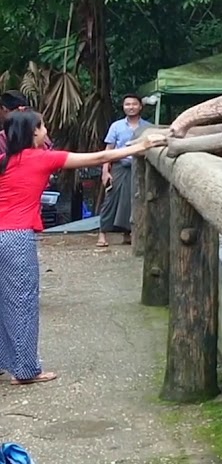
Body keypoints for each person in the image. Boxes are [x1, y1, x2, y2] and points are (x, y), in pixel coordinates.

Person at [0, 110, 166, 385]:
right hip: (17, 237)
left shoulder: (4, 160)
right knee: (22, 302)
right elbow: (99, 157)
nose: (45, 131)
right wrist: (142, 146)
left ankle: (7, 362)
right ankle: (27, 370)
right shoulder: (42, 158)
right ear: (33, 133)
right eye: (42, 127)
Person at [97, 93, 151, 248]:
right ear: (123, 107)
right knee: (111, 198)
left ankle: (128, 234)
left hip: (139, 167)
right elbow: (109, 149)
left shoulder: (147, 127)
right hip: (120, 167)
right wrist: (105, 171)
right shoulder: (116, 126)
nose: (131, 107)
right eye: (127, 104)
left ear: (140, 106)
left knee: (135, 199)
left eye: (134, 104)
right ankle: (102, 233)